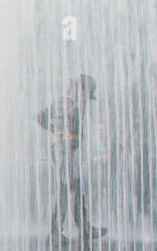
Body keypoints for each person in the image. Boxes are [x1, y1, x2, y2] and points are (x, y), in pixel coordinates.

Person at [36, 74, 106, 241]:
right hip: (67, 150)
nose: (87, 99)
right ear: (80, 89)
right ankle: (61, 232)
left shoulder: (62, 101)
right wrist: (63, 135)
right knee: (68, 190)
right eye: (86, 94)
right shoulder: (73, 103)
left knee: (72, 189)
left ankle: (82, 229)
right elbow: (42, 117)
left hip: (62, 149)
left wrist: (56, 132)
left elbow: (40, 116)